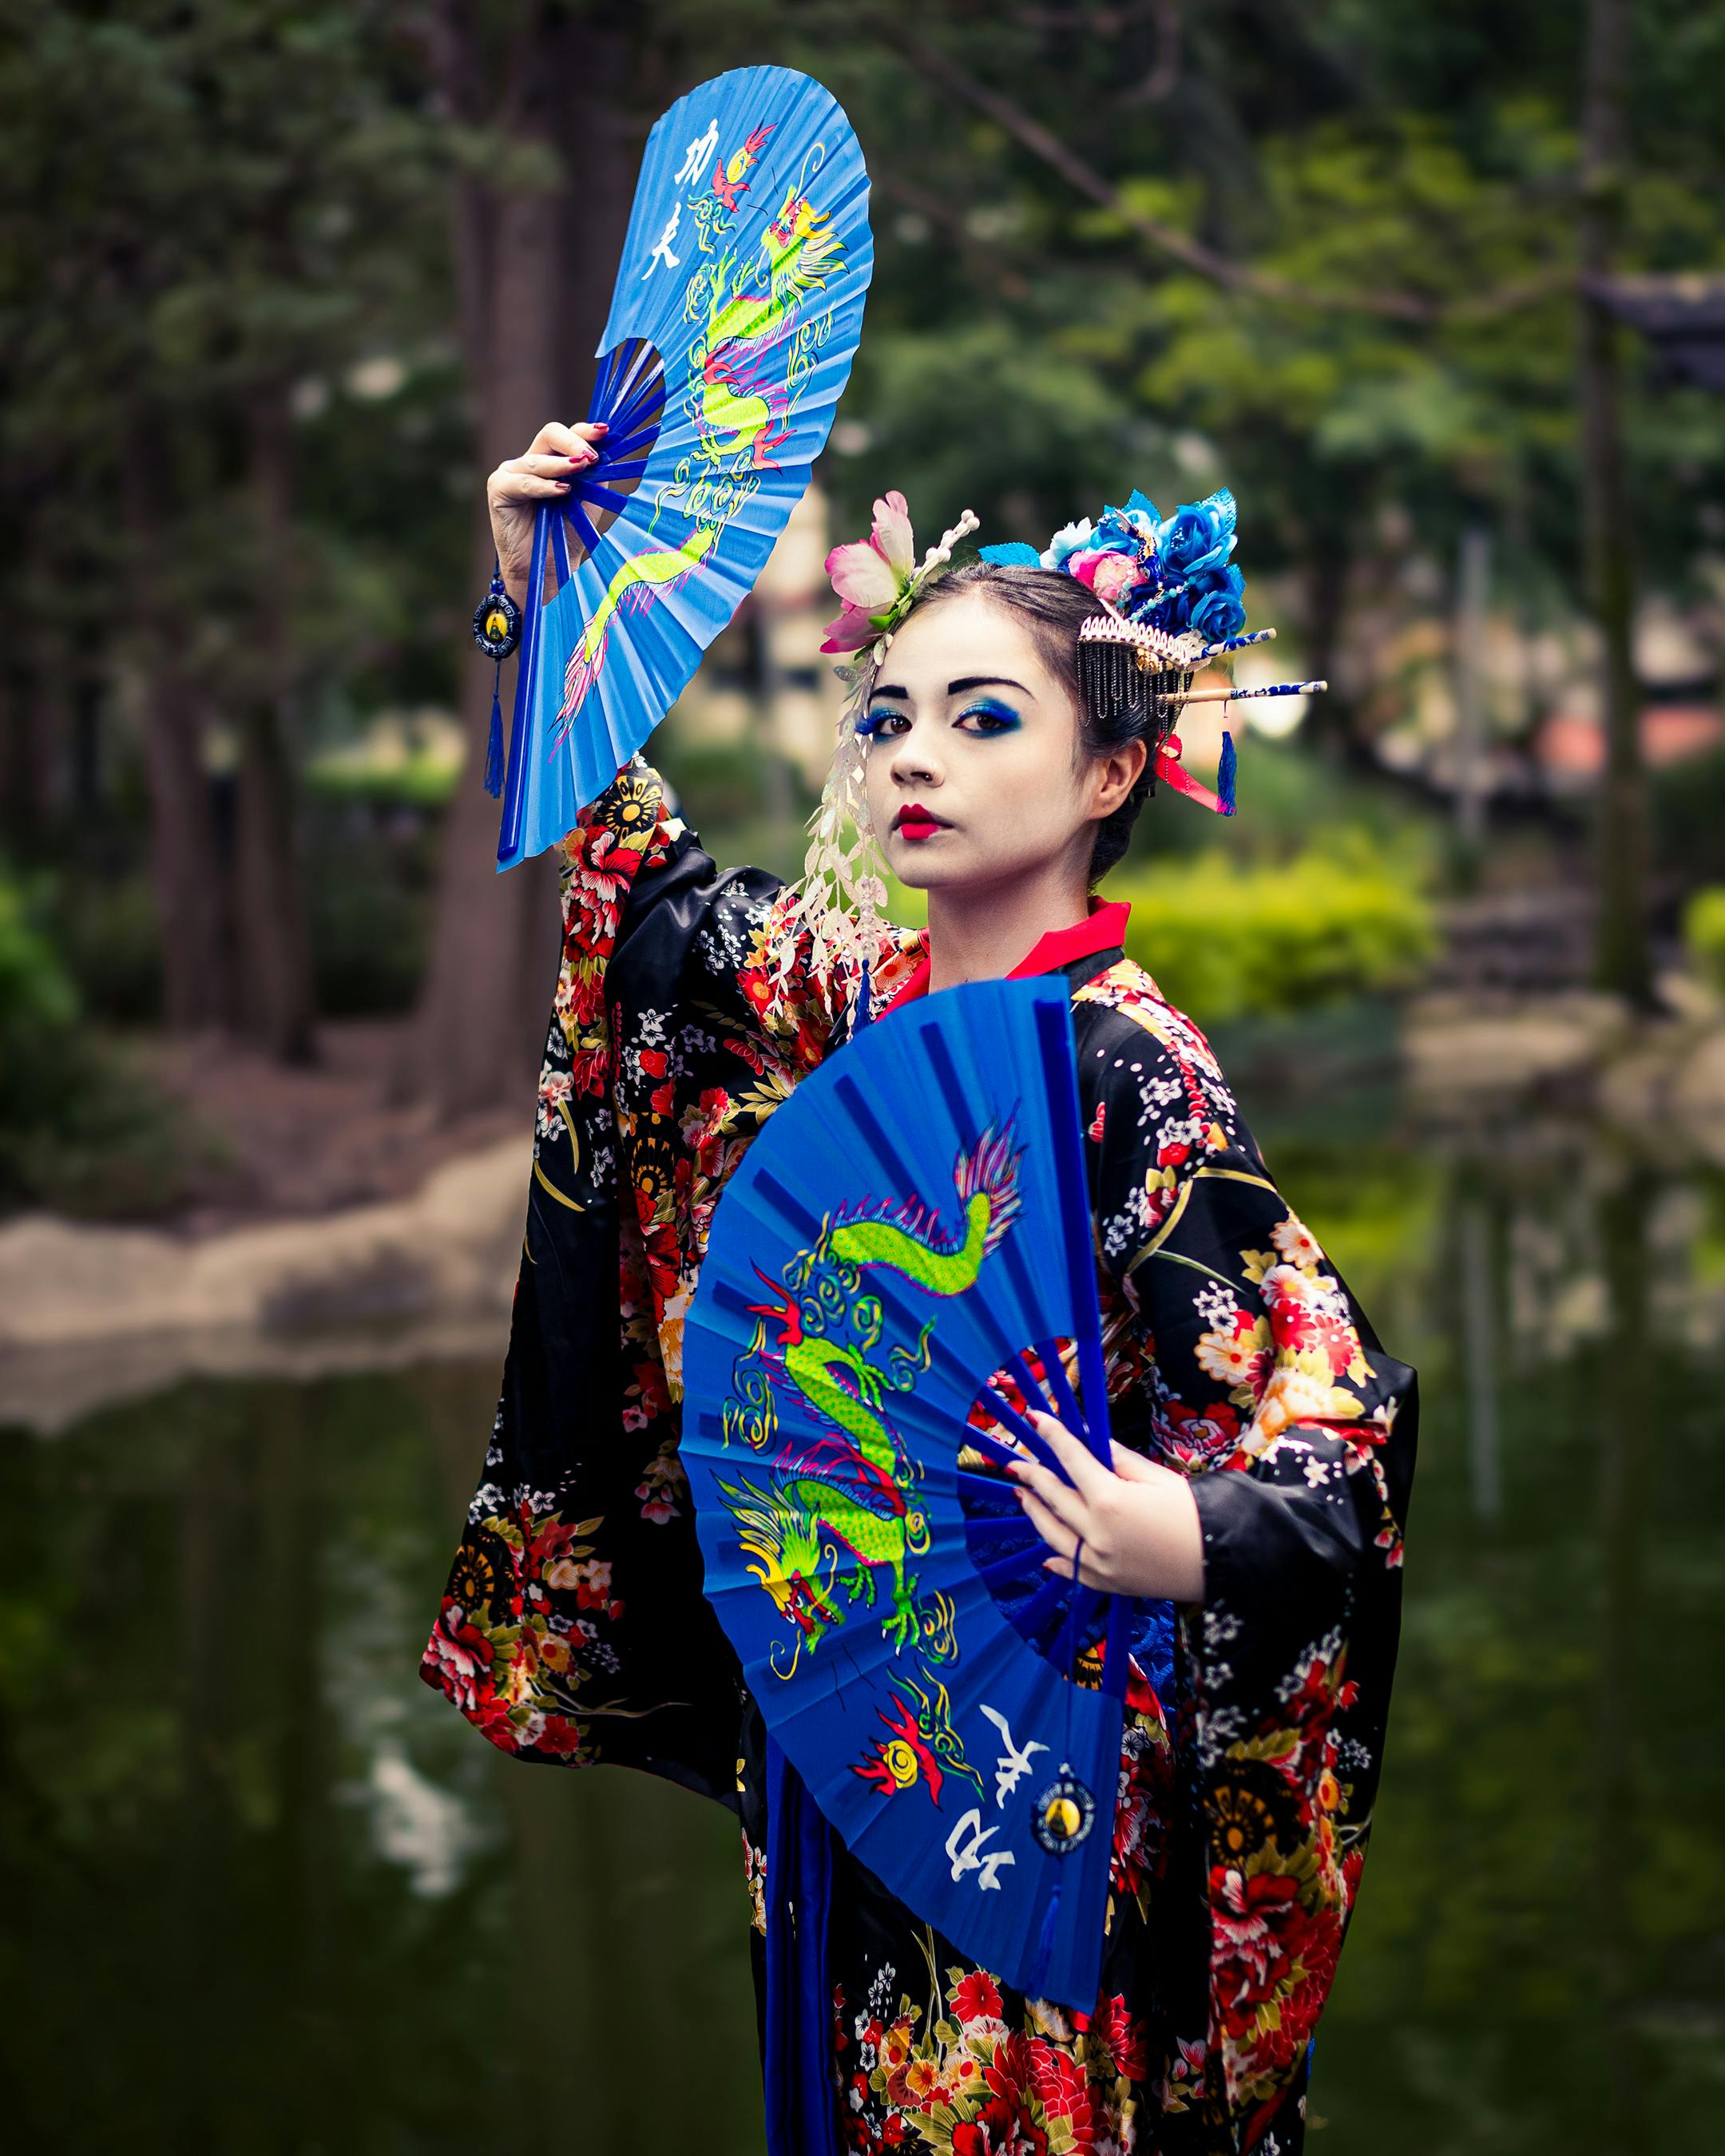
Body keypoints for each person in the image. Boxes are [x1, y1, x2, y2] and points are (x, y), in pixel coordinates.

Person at [422, 420, 1418, 2156]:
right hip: (849, 1716)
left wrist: (1186, 1531)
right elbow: (645, 907)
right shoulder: (844, 995)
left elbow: (1328, 1422)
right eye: (888, 718)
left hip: (1039, 1781)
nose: (914, 759)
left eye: (983, 719)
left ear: (1112, 774)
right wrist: (538, 588)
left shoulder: (1126, 1073)